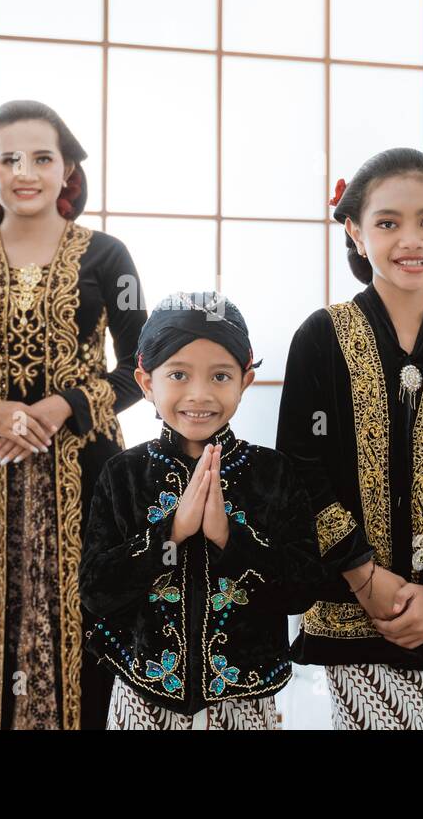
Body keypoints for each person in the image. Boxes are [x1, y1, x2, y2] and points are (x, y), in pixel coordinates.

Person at [0, 100, 147, 729]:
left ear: (68, 169)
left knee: (91, 635)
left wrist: (58, 407)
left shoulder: (108, 257)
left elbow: (143, 369)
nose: (26, 171)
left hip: (90, 473)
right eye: (8, 158)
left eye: (43, 157)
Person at [276, 147, 423, 730]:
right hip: (350, 605)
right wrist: (365, 577)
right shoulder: (320, 337)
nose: (412, 239)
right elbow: (301, 471)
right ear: (356, 232)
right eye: (389, 223)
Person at [79, 292, 367, 729]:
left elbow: (303, 589)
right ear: (145, 382)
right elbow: (96, 591)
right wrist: (171, 532)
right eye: (178, 374)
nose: (199, 394)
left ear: (244, 381)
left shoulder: (273, 472)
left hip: (246, 704)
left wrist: (229, 538)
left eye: (220, 376)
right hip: (142, 700)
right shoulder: (122, 474)